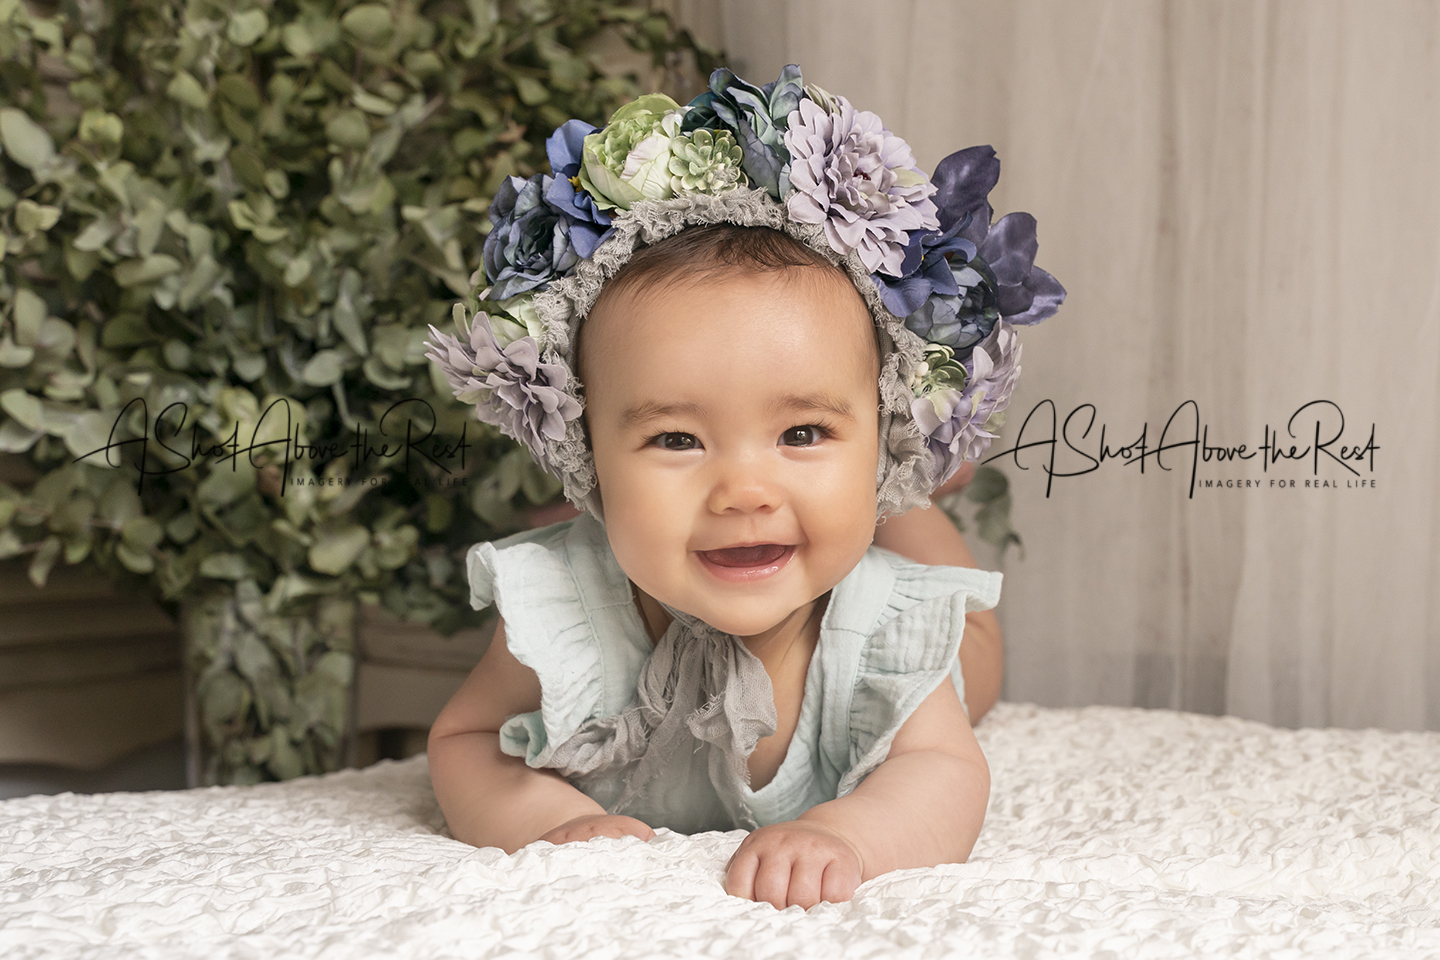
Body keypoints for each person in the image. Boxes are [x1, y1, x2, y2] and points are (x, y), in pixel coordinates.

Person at [424, 67, 1063, 912]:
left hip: (885, 608)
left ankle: (910, 500)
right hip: (774, 528)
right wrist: (543, 819)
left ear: (880, 433)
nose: (742, 491)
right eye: (677, 439)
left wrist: (850, 834)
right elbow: (464, 739)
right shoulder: (566, 608)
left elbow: (946, 775)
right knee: (820, 510)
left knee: (970, 661)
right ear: (586, 456)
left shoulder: (883, 633)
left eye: (802, 432)